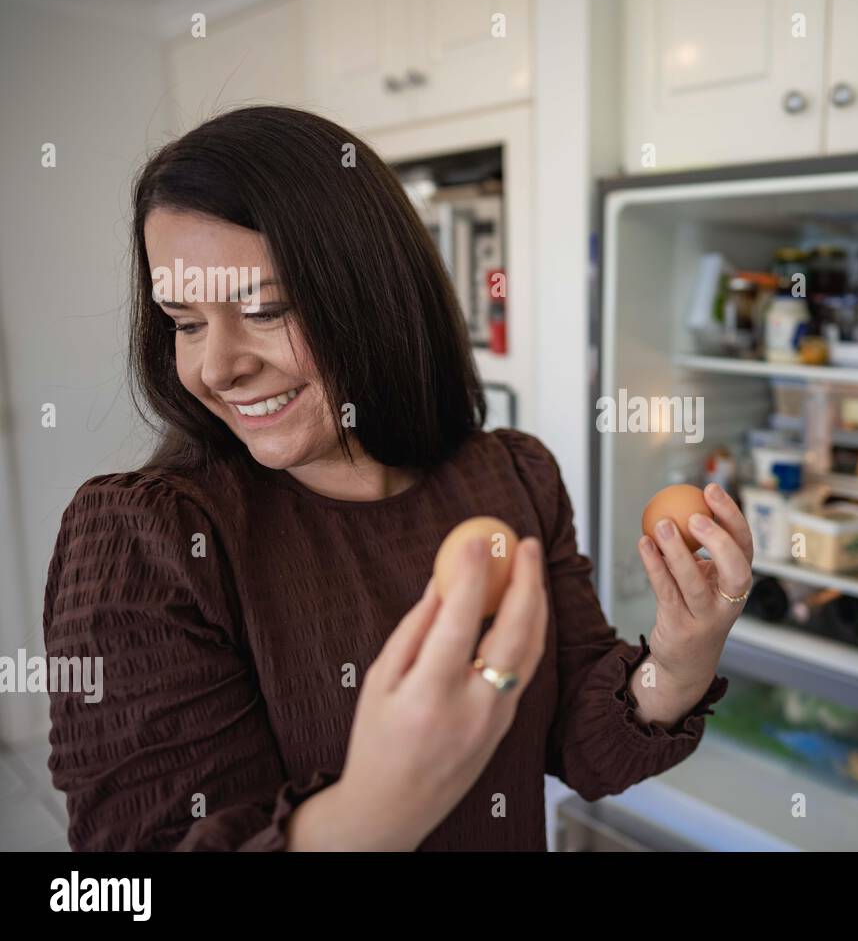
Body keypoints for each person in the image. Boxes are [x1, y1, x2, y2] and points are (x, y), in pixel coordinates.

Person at [42, 106, 754, 851]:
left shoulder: (515, 477)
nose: (216, 368)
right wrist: (381, 805)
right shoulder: (144, 540)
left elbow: (577, 743)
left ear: (376, 291)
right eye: (185, 323)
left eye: (265, 308)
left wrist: (677, 661)